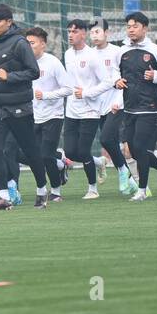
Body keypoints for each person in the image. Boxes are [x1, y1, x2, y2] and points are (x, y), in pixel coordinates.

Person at [0, 4, 50, 211]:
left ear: (9, 22)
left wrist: (9, 77)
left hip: (19, 107)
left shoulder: (20, 43)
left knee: (30, 151)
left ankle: (41, 190)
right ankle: (3, 196)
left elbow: (34, 72)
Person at [116, 12, 157, 201]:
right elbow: (113, 73)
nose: (131, 29)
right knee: (129, 149)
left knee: (139, 147)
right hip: (129, 106)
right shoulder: (121, 51)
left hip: (149, 106)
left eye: (135, 26)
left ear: (145, 28)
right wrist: (116, 81)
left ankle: (142, 190)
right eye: (129, 26)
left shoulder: (156, 50)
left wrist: (155, 76)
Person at [63, 18, 116, 200]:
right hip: (71, 110)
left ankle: (93, 188)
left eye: (75, 31)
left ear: (84, 34)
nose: (71, 35)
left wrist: (87, 93)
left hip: (90, 111)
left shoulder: (92, 56)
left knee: (83, 150)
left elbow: (108, 82)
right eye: (69, 31)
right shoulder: (67, 54)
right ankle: (98, 162)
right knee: (70, 151)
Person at [26, 27, 73, 202]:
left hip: (53, 116)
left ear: (43, 44)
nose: (29, 46)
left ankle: (56, 190)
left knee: (45, 155)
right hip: (31, 116)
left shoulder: (52, 62)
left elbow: (68, 89)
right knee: (32, 155)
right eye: (27, 43)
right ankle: (59, 163)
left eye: (32, 43)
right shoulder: (23, 63)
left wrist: (46, 95)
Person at [89, 17, 131, 193]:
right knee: (110, 142)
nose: (94, 35)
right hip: (98, 105)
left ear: (107, 33)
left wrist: (119, 101)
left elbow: (123, 79)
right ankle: (132, 180)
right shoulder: (89, 54)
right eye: (91, 32)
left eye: (97, 31)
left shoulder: (117, 52)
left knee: (106, 139)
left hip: (116, 104)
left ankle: (122, 169)